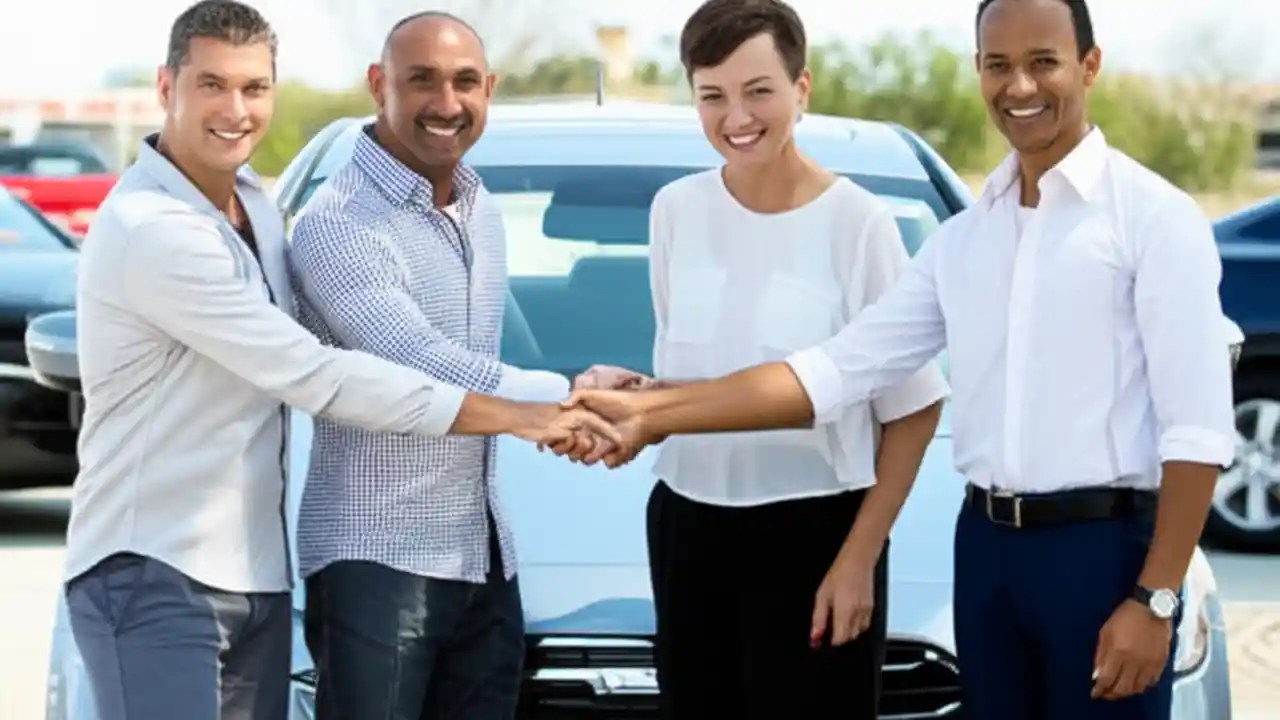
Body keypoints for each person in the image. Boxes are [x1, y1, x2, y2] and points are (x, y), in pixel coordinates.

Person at [560, 0, 1236, 718]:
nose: (1021, 87)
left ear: (1089, 65)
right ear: (979, 71)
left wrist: (1156, 596)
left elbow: (1197, 429)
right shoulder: (966, 239)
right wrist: (648, 409)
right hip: (984, 551)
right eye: (1000, 66)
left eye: (1045, 63)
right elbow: (833, 370)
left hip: (1100, 550)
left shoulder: (1155, 220)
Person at [63, 3, 613, 720]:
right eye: (212, 86)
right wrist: (544, 409)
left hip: (255, 572)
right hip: (154, 567)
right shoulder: (153, 230)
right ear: (166, 87)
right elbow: (320, 373)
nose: (236, 110)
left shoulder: (256, 207)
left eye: (255, 88)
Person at [573, 1, 947, 717]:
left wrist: (858, 557)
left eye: (758, 91)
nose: (735, 116)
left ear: (802, 89)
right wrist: (638, 394)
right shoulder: (674, 210)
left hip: (815, 534)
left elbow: (916, 404)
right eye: (711, 95)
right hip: (687, 527)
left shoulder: (857, 222)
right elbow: (710, 379)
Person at [285, 11, 572, 720]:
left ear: (490, 89)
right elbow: (423, 364)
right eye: (422, 81)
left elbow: (480, 364)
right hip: (378, 562)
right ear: (379, 85)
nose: (447, 104)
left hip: (481, 556)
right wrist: (577, 398)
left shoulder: (483, 210)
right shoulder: (337, 223)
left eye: (465, 82)